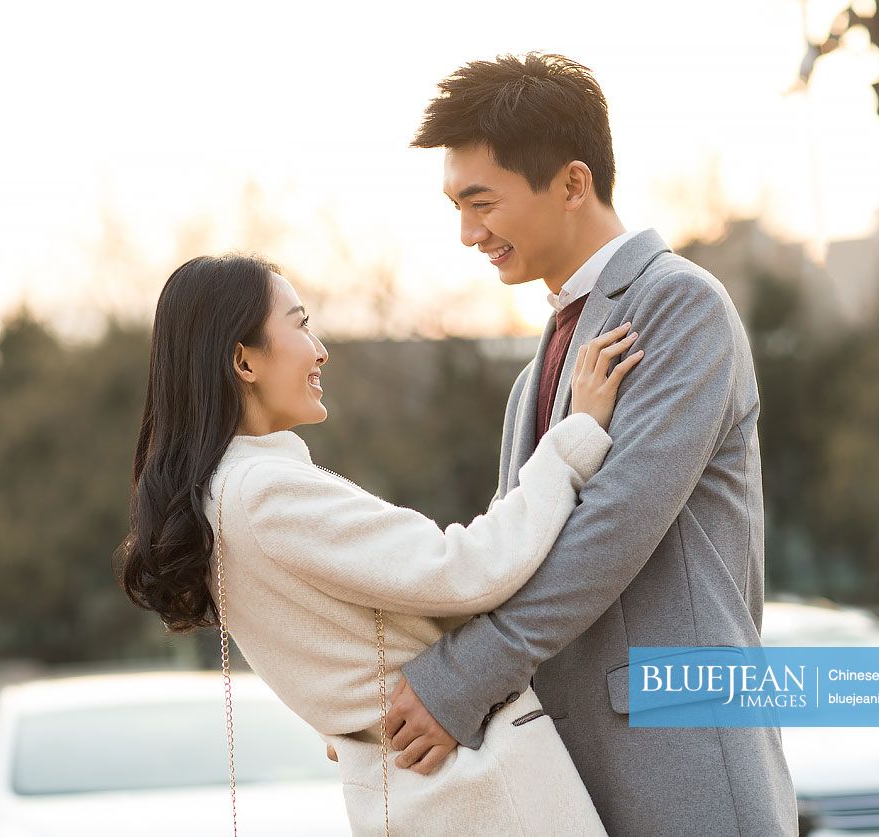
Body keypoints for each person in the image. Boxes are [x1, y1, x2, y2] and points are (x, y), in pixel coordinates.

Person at [383, 53, 800, 836]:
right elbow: (504, 556)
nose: (468, 233)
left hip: (685, 762)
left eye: (482, 203)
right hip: (573, 776)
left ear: (572, 184)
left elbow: (610, 529)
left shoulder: (679, 305)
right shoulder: (541, 361)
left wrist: (459, 679)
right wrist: (377, 691)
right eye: (456, 207)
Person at [118, 253, 643, 835]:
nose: (319, 351)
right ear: (244, 360)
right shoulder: (265, 492)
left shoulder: (221, 498)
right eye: (299, 324)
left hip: (408, 790)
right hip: (476, 788)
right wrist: (576, 438)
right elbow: (467, 570)